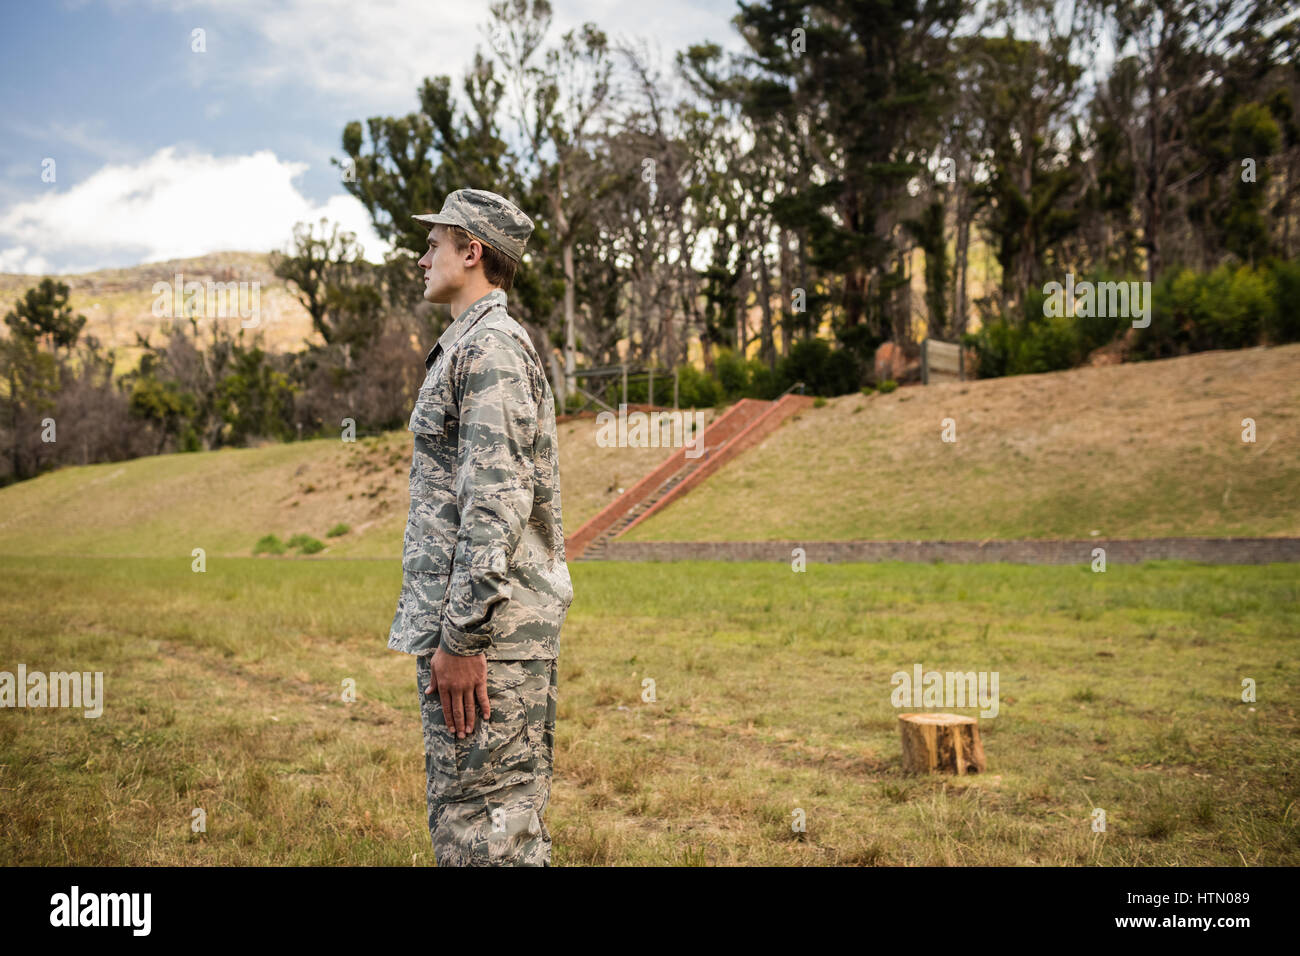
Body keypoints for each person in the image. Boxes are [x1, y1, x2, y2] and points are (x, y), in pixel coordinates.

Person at [387, 188, 572, 866]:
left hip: (489, 644)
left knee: (488, 832)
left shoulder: (490, 348)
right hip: (481, 637)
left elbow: (495, 506)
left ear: (473, 252)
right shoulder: (469, 344)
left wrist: (463, 639)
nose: (421, 256)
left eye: (434, 243)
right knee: (479, 823)